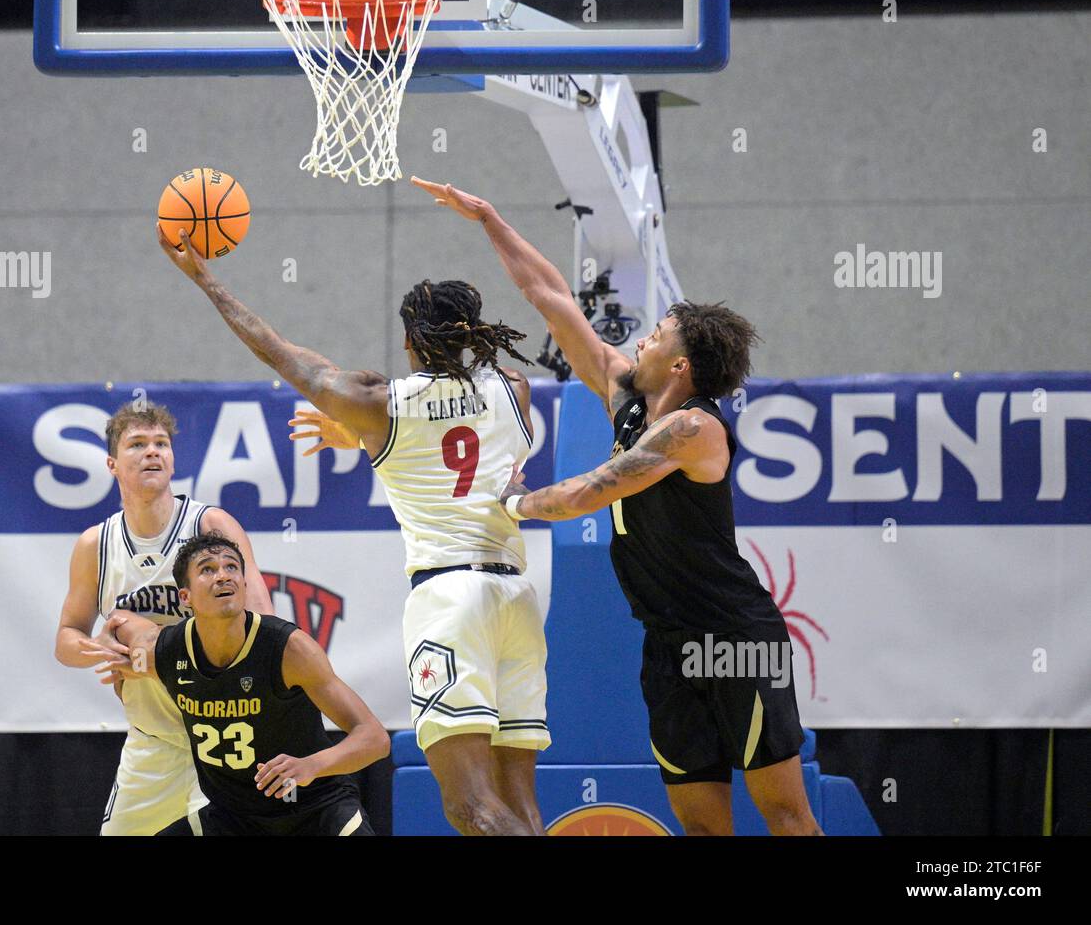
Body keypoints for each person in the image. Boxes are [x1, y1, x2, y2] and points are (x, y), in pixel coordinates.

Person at [417, 177, 822, 837]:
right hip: (668, 643)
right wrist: (489, 217)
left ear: (682, 364)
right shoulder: (627, 396)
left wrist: (511, 503)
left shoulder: (694, 430)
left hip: (734, 641)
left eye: (658, 333)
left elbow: (590, 491)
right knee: (701, 823)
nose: (643, 338)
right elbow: (548, 297)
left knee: (785, 813)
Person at [158, 224, 549, 836]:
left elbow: (277, 350)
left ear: (408, 339)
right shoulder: (516, 389)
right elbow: (470, 441)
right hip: (516, 598)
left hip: (450, 599)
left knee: (469, 807)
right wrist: (372, 440)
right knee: (519, 807)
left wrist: (206, 279)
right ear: (474, 333)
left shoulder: (379, 401)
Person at [54, 401, 274, 835]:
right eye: (138, 444)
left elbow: (263, 623)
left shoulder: (209, 524)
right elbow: (65, 638)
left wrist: (155, 642)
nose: (152, 452)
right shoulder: (95, 545)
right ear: (112, 463)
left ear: (172, 459)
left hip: (223, 736)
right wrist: (99, 647)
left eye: (161, 444)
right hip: (152, 744)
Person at [90, 531, 386, 835]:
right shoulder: (170, 651)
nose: (223, 576)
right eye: (207, 569)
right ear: (185, 597)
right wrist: (119, 646)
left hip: (315, 807)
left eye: (231, 567)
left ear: (245, 584)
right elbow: (131, 629)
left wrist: (311, 765)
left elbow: (375, 739)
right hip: (233, 818)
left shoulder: (288, 649)